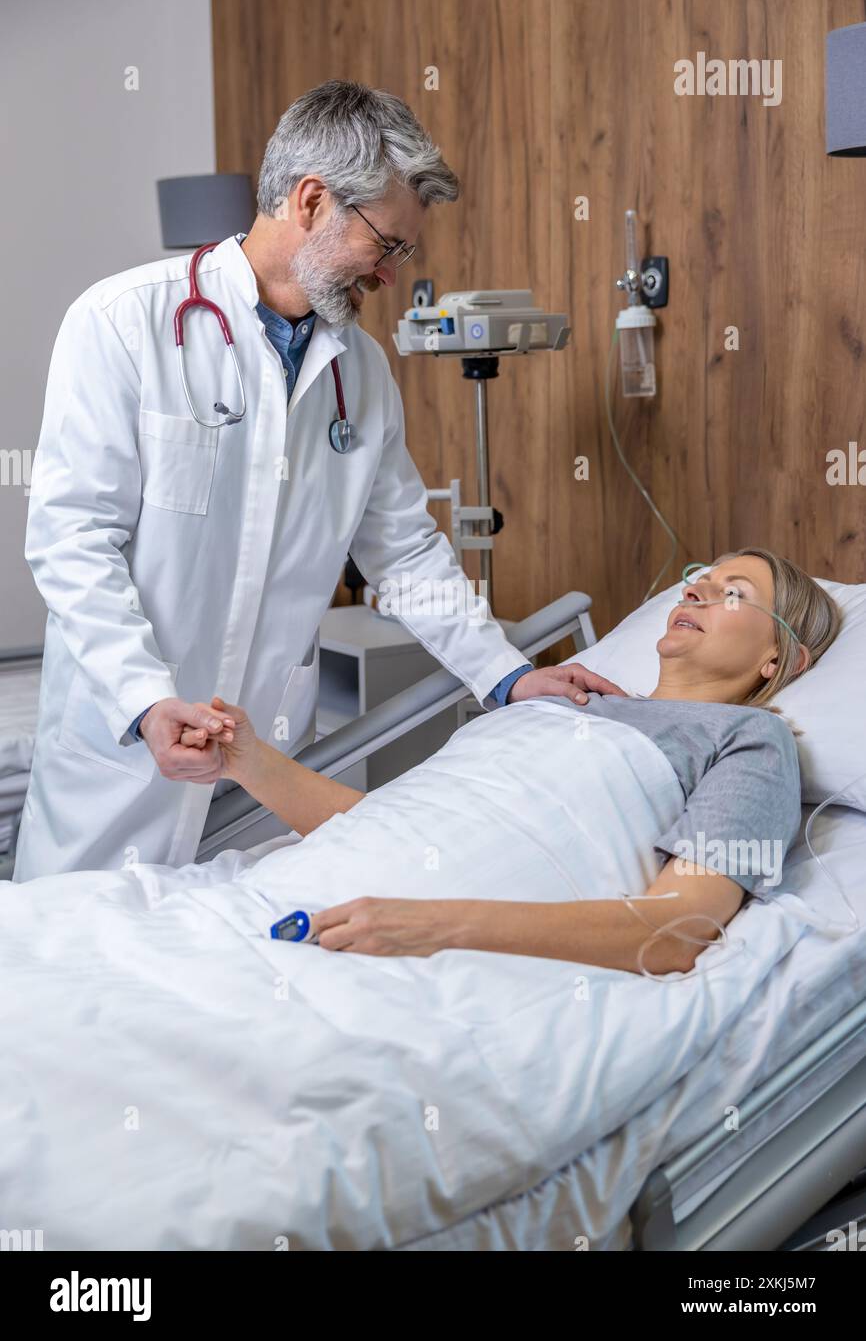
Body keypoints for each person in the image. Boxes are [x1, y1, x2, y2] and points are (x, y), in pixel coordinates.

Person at [14, 79, 619, 883]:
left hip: (261, 771)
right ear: (310, 200)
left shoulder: (359, 373)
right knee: (72, 985)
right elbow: (72, 541)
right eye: (389, 245)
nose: (393, 276)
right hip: (122, 762)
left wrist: (505, 673)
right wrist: (145, 699)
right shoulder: (122, 323)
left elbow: (402, 552)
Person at [181, 549, 841, 975]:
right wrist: (249, 761)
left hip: (408, 950)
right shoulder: (565, 701)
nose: (695, 592)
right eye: (697, 582)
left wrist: (433, 924)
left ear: (780, 660)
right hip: (288, 901)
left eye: (732, 593)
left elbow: (676, 928)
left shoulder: (751, 742)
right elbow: (386, 824)